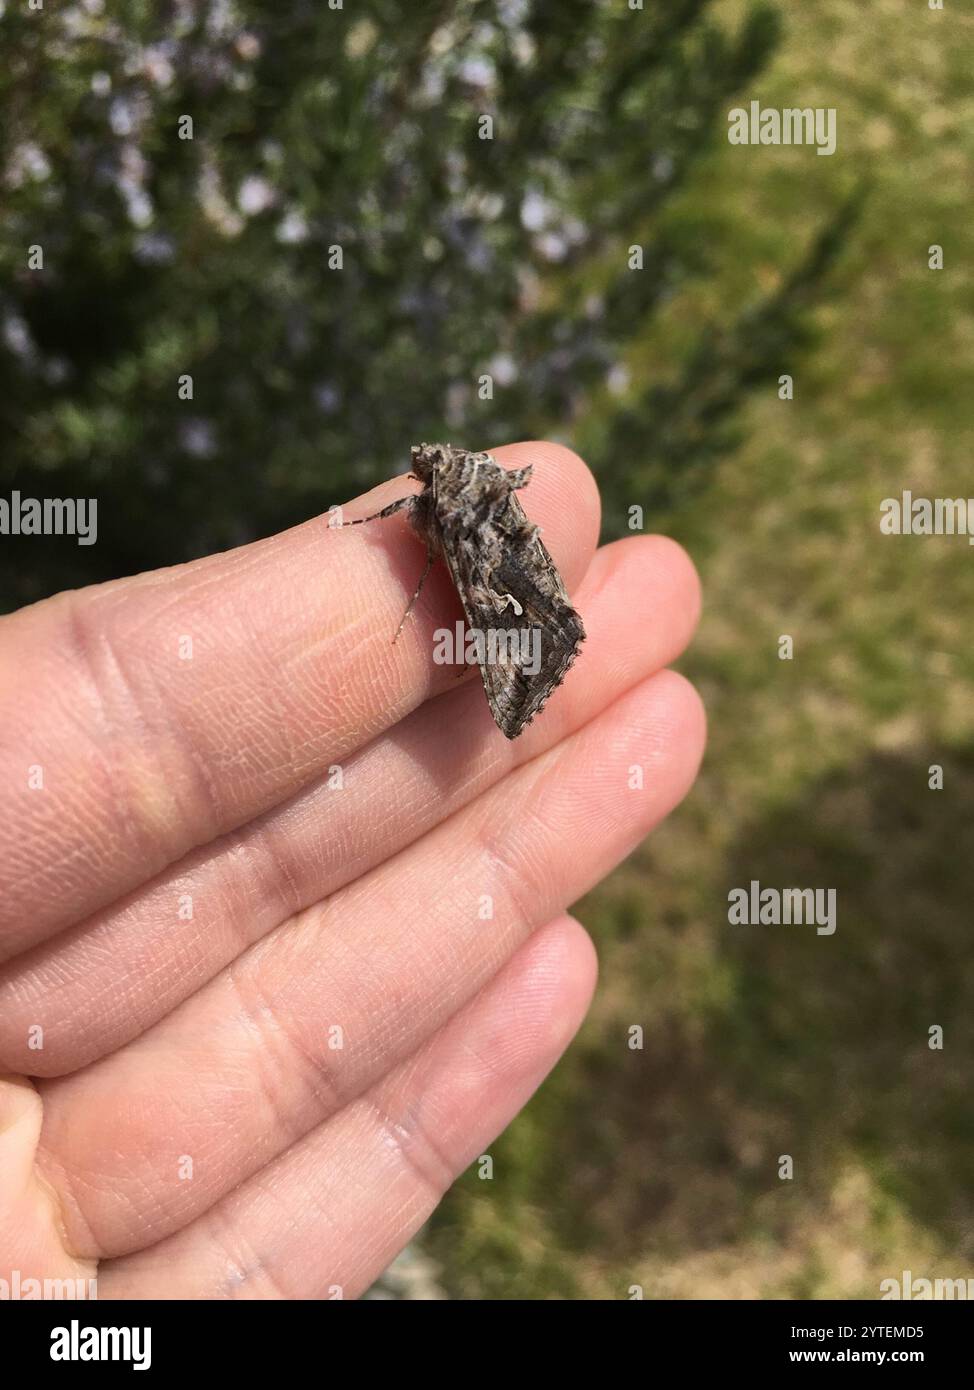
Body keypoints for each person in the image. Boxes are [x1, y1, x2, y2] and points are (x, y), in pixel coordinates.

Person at [0, 441, 704, 1299]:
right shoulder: (466, 491)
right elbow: (487, 502)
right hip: (509, 568)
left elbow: (432, 531)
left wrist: (427, 555)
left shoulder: (438, 504)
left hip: (497, 584)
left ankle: (528, 661)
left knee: (502, 616)